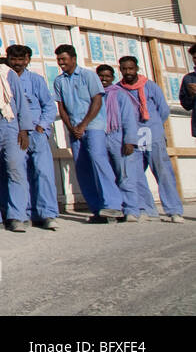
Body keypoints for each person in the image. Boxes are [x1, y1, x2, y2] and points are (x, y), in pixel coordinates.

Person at [52, 44, 124, 221]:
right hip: (75, 130)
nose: (61, 63)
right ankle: (97, 209)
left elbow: (97, 102)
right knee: (82, 168)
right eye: (59, 60)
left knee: (99, 163)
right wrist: (72, 128)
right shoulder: (59, 81)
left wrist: (83, 125)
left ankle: (114, 205)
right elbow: (61, 108)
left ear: (73, 59)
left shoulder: (88, 76)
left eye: (64, 59)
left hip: (93, 127)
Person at [118, 56, 183, 222]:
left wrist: (154, 127)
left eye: (131, 68)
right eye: (124, 69)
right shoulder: (119, 89)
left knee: (163, 172)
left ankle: (174, 210)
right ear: (120, 70)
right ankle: (145, 208)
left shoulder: (149, 86)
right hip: (132, 137)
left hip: (152, 134)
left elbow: (163, 110)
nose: (128, 72)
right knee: (136, 173)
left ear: (137, 69)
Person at [5, 46, 59, 229]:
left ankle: (47, 214)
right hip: (16, 132)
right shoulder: (5, 79)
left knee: (42, 172)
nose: (18, 63)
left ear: (28, 60)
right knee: (18, 173)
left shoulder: (36, 80)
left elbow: (49, 107)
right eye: (14, 59)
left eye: (22, 59)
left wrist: (41, 126)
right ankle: (23, 214)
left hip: (36, 132)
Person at [0, 41, 30, 233]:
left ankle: (18, 215)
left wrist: (24, 129)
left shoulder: (8, 74)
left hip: (9, 122)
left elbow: (20, 103)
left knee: (14, 169)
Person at [99, 63, 143, 223]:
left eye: (107, 76)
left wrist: (129, 141)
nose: (104, 79)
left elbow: (129, 119)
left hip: (119, 136)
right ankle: (114, 209)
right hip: (101, 137)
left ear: (113, 78)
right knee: (108, 175)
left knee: (125, 174)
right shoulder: (95, 95)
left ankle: (131, 209)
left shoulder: (120, 95)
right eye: (101, 76)